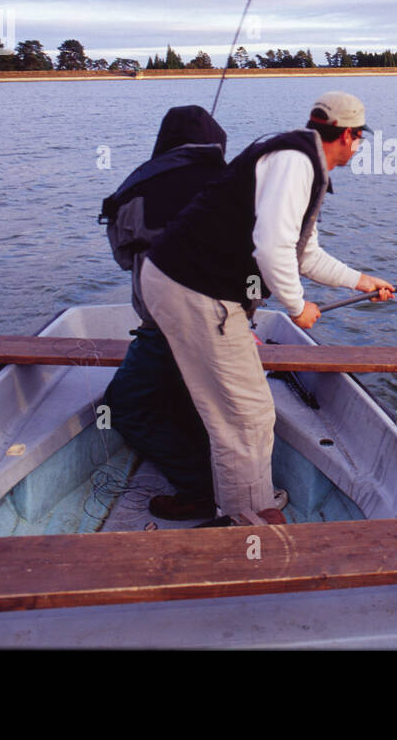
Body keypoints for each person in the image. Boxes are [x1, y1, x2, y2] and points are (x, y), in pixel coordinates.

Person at [142, 91, 395, 524]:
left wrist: (360, 280)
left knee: (249, 411)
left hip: (188, 284)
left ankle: (249, 503)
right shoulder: (296, 164)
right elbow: (272, 248)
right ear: (350, 136)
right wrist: (297, 309)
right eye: (360, 139)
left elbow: (303, 253)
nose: (358, 147)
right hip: (194, 289)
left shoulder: (297, 160)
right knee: (243, 416)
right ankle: (246, 522)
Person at [99, 105, 228, 518]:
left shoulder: (137, 188)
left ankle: (198, 488)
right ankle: (229, 482)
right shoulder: (236, 185)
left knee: (125, 405)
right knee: (204, 400)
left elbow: (123, 258)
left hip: (166, 327)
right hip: (229, 325)